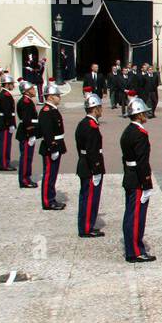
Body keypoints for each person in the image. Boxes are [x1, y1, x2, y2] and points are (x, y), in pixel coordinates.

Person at [121, 95, 156, 263]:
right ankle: (135, 251)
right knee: (136, 217)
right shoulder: (140, 134)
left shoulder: (128, 131)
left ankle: (131, 247)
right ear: (139, 114)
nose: (146, 115)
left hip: (130, 175)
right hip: (137, 179)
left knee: (130, 214)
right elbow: (142, 162)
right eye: (144, 113)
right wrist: (147, 182)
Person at [74, 93, 106, 237]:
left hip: (84, 163)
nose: (101, 110)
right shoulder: (91, 126)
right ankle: (86, 228)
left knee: (87, 198)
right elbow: (92, 151)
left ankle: (86, 225)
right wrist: (96, 168)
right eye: (100, 107)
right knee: (89, 199)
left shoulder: (83, 123)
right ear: (95, 108)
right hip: (91, 167)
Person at [37, 81, 67, 210]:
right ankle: (47, 201)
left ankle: (52, 197)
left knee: (53, 175)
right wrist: (52, 147)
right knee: (49, 174)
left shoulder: (52, 110)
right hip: (51, 147)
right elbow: (47, 132)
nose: (59, 97)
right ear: (49, 96)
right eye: (57, 95)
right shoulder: (46, 111)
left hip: (57, 145)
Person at [16, 81, 39, 187]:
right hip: (26, 133)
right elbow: (26, 120)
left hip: (27, 132)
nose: (34, 90)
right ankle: (24, 179)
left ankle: (27, 177)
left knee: (28, 157)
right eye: (32, 89)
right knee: (25, 157)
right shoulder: (25, 102)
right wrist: (30, 134)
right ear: (26, 91)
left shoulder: (28, 101)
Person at [0, 74, 16, 171]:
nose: (13, 86)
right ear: (7, 84)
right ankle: (4, 164)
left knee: (6, 144)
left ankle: (5, 162)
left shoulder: (5, 94)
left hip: (5, 121)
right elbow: (7, 112)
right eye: (11, 84)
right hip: (5, 122)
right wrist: (10, 124)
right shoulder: (5, 95)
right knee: (5, 144)